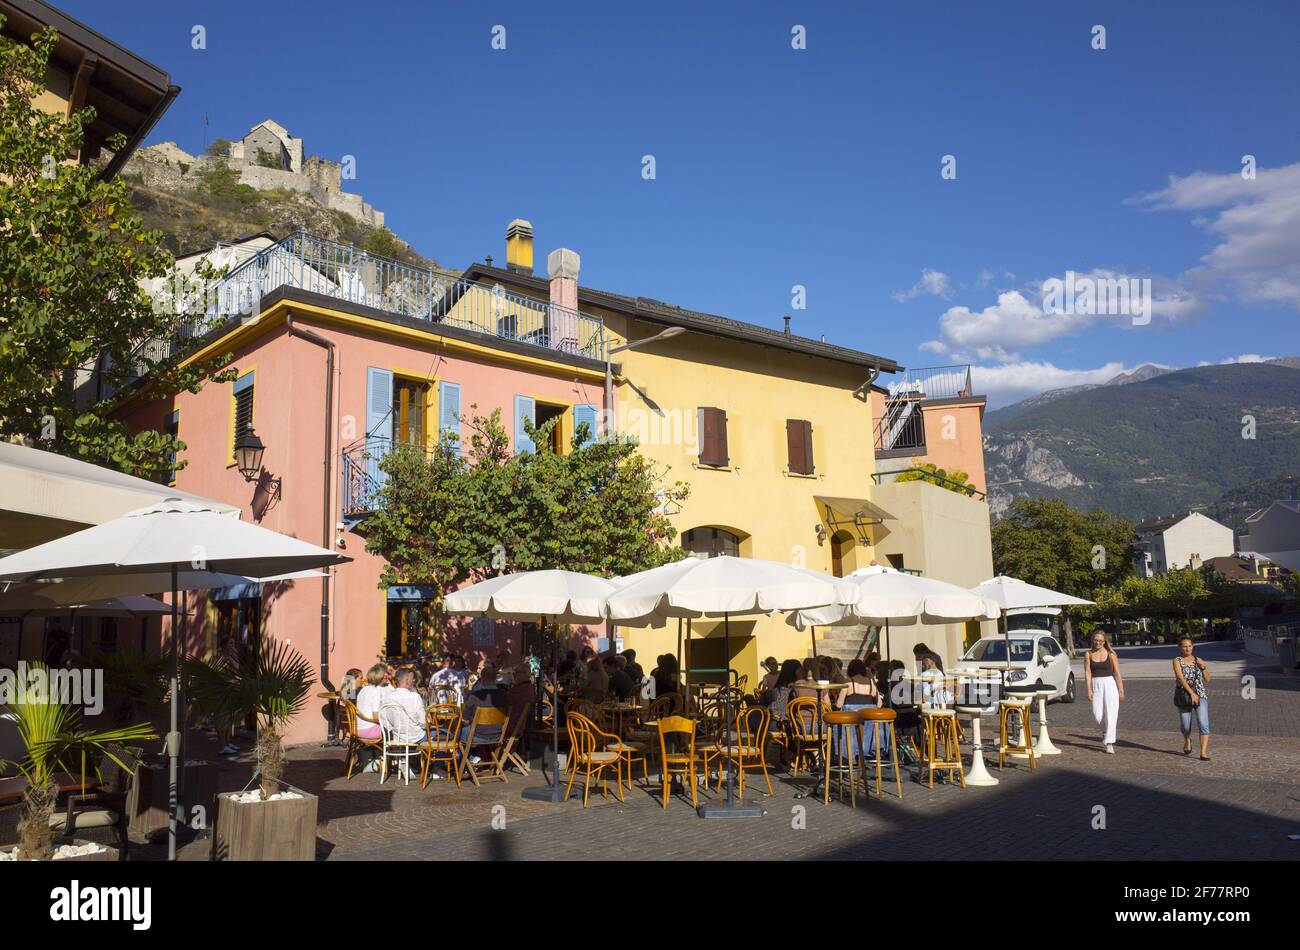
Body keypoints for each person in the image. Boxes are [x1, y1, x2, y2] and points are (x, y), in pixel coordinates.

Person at [1084, 629, 1125, 754]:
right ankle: (1106, 731)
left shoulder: (1111, 654)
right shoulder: (1088, 654)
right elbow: (1088, 672)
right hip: (1096, 684)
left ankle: (1109, 742)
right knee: (1098, 714)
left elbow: (1117, 673)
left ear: (1104, 641)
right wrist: (1089, 689)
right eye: (1096, 640)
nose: (1098, 643)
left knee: (1111, 713)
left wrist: (1121, 689)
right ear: (1093, 641)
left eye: (1100, 641)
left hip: (1110, 684)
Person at [460, 662, 511, 756]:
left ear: (481, 679)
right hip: (498, 735)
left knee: (456, 732)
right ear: (496, 679)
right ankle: (478, 757)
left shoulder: (475, 696)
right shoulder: (505, 695)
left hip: (477, 735)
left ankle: (471, 758)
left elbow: (464, 718)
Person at [1173, 637, 1211, 760]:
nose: (1187, 648)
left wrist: (1203, 666)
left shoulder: (1198, 660)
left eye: (1189, 646)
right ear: (1180, 647)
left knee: (1203, 724)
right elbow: (1180, 677)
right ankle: (1187, 740)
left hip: (1201, 694)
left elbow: (1207, 679)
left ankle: (1203, 752)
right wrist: (1191, 693)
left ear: (1193, 647)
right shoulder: (1177, 660)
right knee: (1185, 726)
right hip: (1184, 695)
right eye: (1184, 646)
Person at [352, 664, 391, 772]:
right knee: (396, 730)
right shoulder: (376, 691)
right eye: (384, 676)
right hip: (369, 731)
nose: (386, 677)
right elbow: (375, 717)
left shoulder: (363, 690)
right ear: (379, 677)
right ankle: (396, 761)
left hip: (356, 729)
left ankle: (380, 760)